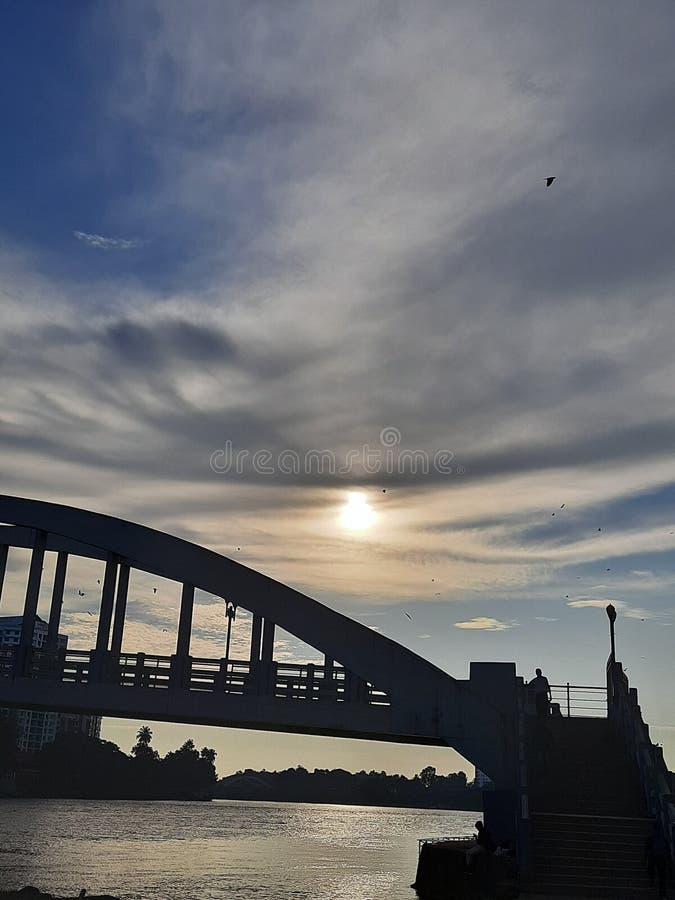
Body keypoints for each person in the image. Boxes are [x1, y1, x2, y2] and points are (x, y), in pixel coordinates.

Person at [644, 822, 669, 900]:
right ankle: (663, 895)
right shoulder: (663, 838)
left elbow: (646, 850)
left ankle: (652, 882)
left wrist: (644, 859)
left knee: (650, 869)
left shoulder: (650, 838)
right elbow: (667, 850)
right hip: (662, 858)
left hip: (653, 857)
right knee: (662, 877)